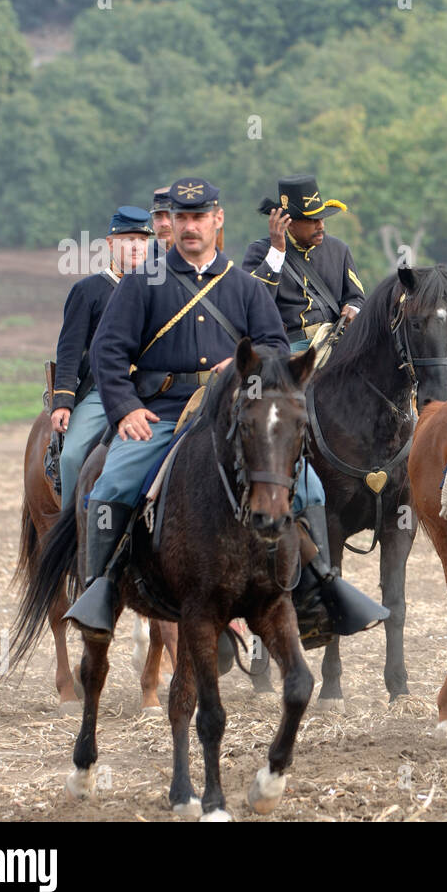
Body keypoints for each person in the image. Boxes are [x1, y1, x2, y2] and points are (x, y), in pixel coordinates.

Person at [64, 177, 385, 644]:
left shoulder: (244, 286)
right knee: (113, 483)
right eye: (182, 218)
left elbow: (275, 347)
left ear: (218, 220)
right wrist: (125, 410)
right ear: (170, 223)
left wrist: (246, 364)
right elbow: (107, 353)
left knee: (310, 488)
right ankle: (101, 586)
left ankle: (320, 587)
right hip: (161, 411)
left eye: (199, 217)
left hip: (233, 415)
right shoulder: (141, 284)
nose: (190, 226)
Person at [50, 206, 153, 509]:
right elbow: (69, 350)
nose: (135, 246)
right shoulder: (88, 291)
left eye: (141, 240)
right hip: (101, 393)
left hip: (152, 390)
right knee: (71, 456)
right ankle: (72, 527)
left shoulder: (159, 288)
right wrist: (63, 401)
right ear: (111, 244)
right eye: (128, 240)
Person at [243, 174, 365, 352]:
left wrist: (352, 309)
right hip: (287, 347)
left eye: (321, 219)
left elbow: (357, 298)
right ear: (288, 223)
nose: (321, 226)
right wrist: (277, 252)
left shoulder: (339, 249)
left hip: (334, 341)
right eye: (312, 221)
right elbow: (253, 304)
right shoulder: (260, 252)